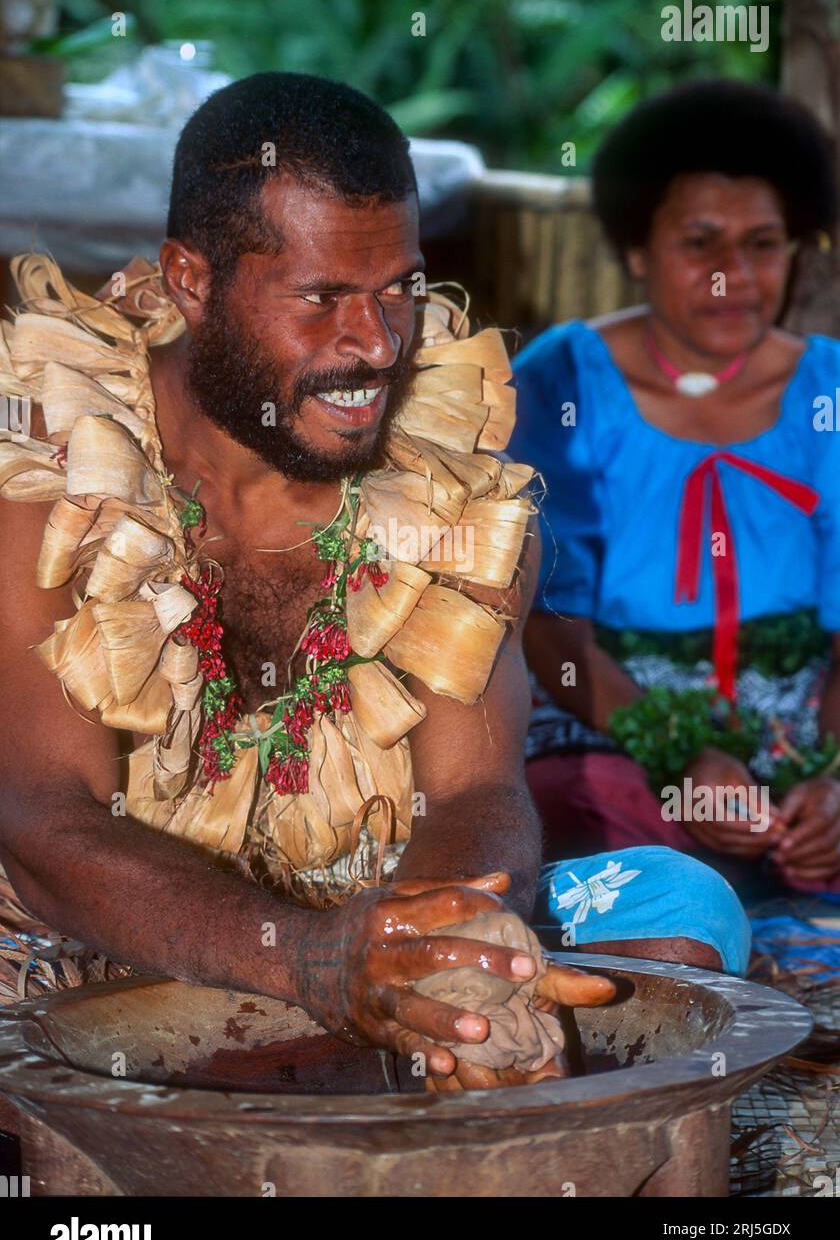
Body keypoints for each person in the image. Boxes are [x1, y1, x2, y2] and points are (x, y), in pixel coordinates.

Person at [0, 74, 749, 1095]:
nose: (375, 345)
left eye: (397, 286)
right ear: (190, 281)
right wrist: (311, 960)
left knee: (680, 918)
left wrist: (431, 959)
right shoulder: (47, 482)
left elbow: (479, 790)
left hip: (371, 904)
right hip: (106, 938)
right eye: (320, 300)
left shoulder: (455, 490)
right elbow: (45, 824)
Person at [509, 78, 840, 904]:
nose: (736, 276)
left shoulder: (828, 391)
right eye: (701, 244)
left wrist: (828, 780)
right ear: (635, 250)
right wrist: (678, 759)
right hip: (611, 726)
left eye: (764, 245)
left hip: (800, 732)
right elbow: (549, 626)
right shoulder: (561, 380)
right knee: (586, 818)